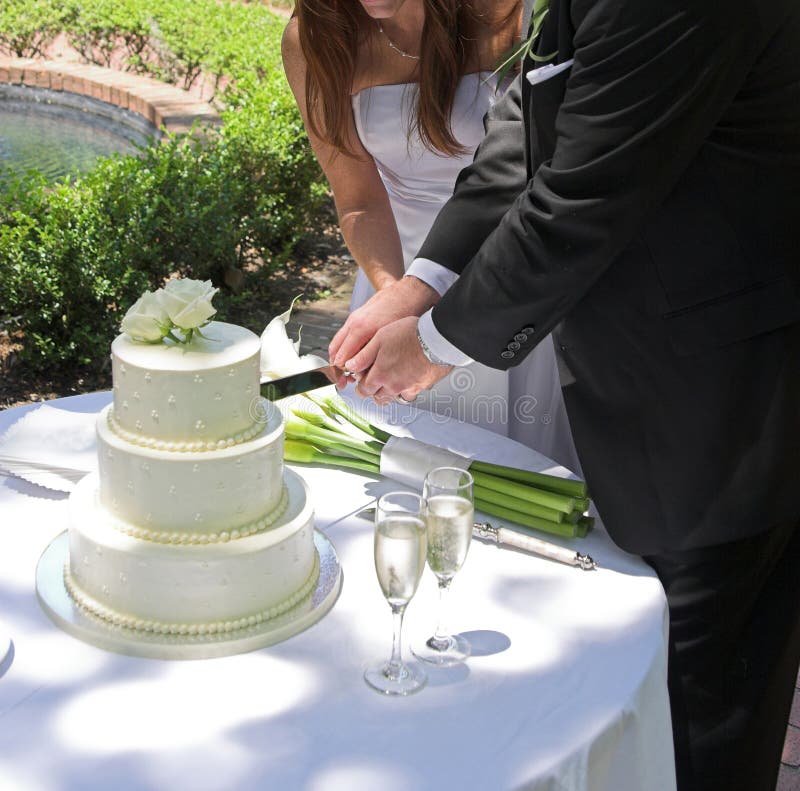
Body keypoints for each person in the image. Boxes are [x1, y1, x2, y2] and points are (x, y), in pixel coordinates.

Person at [328, 0, 800, 788]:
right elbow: (529, 114)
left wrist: (438, 346)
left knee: (699, 733)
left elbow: (582, 193)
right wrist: (420, 284)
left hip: (724, 420)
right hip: (649, 404)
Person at [282, 0, 581, 472]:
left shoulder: (508, 10)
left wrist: (437, 316)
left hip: (515, 279)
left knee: (526, 479)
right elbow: (359, 199)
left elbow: (547, 165)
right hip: (396, 276)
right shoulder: (314, 37)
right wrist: (397, 302)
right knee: (409, 474)